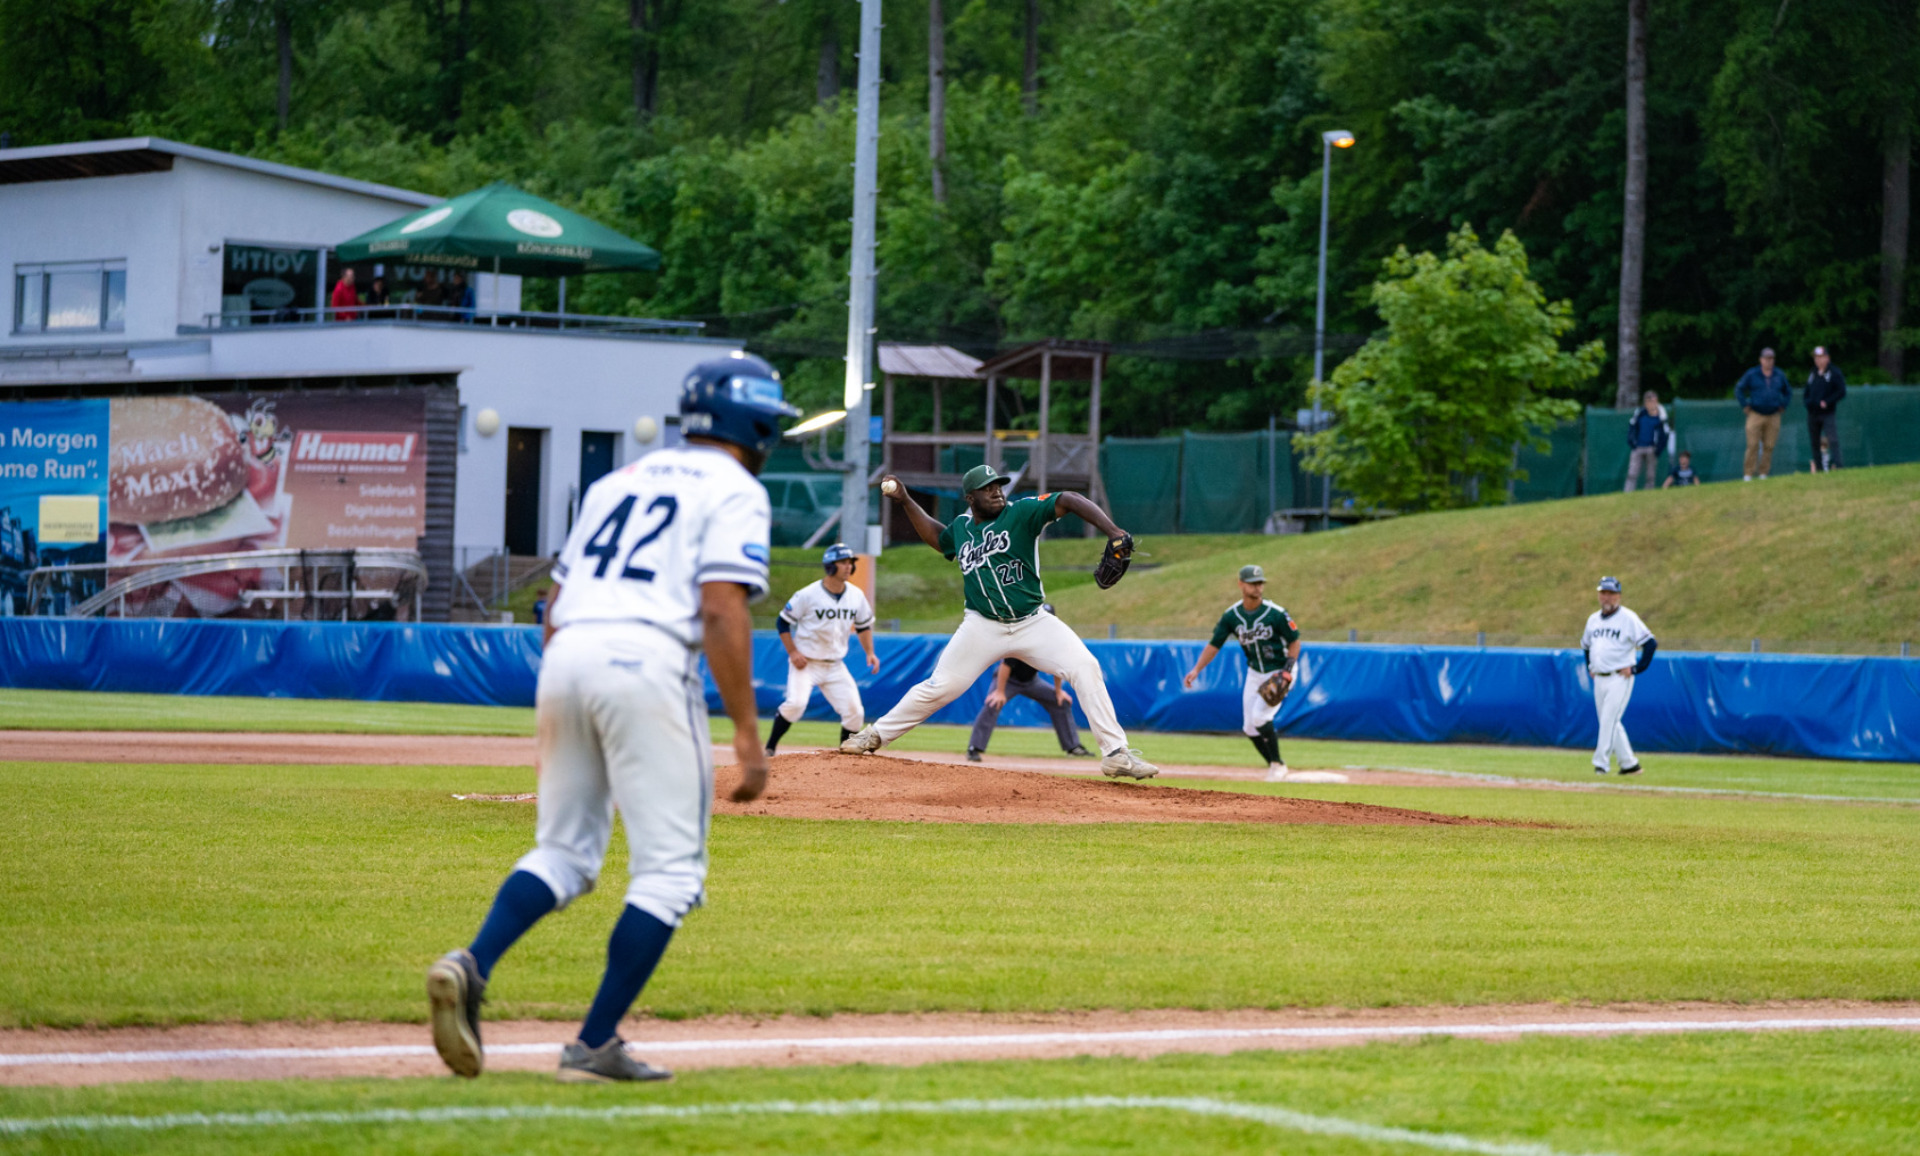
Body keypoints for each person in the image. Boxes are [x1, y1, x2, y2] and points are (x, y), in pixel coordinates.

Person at [425, 351, 797, 1083]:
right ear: (754, 425)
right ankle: (594, 1044)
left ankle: (472, 962)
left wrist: (570, 693)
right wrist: (749, 736)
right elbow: (721, 608)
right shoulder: (736, 488)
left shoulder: (617, 480)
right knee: (670, 875)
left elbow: (555, 607)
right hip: (646, 657)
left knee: (563, 853)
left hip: (568, 655)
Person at [843, 464, 1157, 780]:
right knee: (941, 687)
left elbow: (1069, 499)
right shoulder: (962, 528)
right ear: (970, 498)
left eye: (998, 486)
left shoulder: (1021, 513)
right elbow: (939, 539)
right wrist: (905, 500)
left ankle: (1115, 753)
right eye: (987, 488)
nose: (996, 492)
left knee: (1085, 667)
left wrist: (1113, 531)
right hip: (982, 626)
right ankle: (875, 735)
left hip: (1033, 622)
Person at [1180, 564, 1302, 782]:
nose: (1257, 587)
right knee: (1249, 727)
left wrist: (1287, 671)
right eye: (1253, 583)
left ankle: (1277, 766)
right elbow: (1215, 644)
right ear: (1241, 584)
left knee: (1260, 717)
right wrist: (1197, 669)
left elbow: (1295, 641)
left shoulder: (1275, 613)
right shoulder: (1232, 616)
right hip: (1255, 672)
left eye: (1260, 583)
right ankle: (1276, 765)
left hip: (1280, 670)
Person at [765, 542, 879, 755]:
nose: (848, 566)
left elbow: (863, 626)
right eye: (843, 562)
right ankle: (770, 748)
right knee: (796, 704)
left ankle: (846, 755)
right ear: (830, 566)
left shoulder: (856, 595)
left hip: (835, 665)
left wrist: (870, 652)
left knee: (855, 712)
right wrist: (793, 652)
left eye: (850, 562)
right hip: (806, 663)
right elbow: (782, 622)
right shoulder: (808, 594)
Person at [967, 604, 1095, 761]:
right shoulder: (1023, 637)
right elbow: (1005, 666)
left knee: (1060, 702)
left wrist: (1058, 691)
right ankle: (974, 748)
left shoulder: (1053, 640)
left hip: (1031, 681)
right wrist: (999, 692)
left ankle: (1073, 747)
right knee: (994, 702)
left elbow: (1057, 667)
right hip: (1009, 680)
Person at [1581, 576, 1657, 776]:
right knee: (1609, 722)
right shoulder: (1593, 620)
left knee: (1609, 719)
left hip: (1619, 677)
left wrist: (1636, 669)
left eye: (1611, 593)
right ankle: (1629, 764)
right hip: (1600, 677)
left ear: (1619, 596)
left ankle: (1601, 764)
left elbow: (1650, 644)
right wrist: (1590, 665)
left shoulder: (1628, 618)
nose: (1607, 597)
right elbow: (1586, 645)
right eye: (1603, 593)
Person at [1734, 348, 1791, 480]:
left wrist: (1784, 405)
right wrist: (1744, 405)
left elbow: (1788, 391)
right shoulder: (1752, 374)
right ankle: (1748, 474)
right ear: (1761, 360)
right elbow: (1739, 389)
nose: (1769, 361)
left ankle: (1763, 473)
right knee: (1752, 445)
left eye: (1771, 359)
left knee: (1769, 445)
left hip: (1773, 414)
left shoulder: (1779, 374)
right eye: (1766, 359)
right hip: (1756, 413)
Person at [1804, 345, 1846, 472]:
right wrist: (1808, 402)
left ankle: (1838, 466)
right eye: (1816, 357)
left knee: (1832, 440)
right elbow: (1807, 391)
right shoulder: (1813, 372)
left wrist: (1827, 402)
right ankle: (1819, 468)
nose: (1818, 360)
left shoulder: (1834, 372)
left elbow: (1841, 391)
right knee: (1814, 442)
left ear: (1827, 358)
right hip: (1813, 412)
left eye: (1821, 357)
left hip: (1827, 413)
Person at [1623, 390, 1672, 492]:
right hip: (1638, 447)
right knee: (1632, 473)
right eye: (1650, 401)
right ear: (1646, 402)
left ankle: (1648, 494)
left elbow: (1665, 434)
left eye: (1654, 401)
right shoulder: (1640, 414)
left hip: (1651, 448)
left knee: (1650, 475)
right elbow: (1632, 428)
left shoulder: (1661, 416)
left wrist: (1658, 449)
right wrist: (1633, 443)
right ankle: (1628, 493)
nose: (1653, 404)